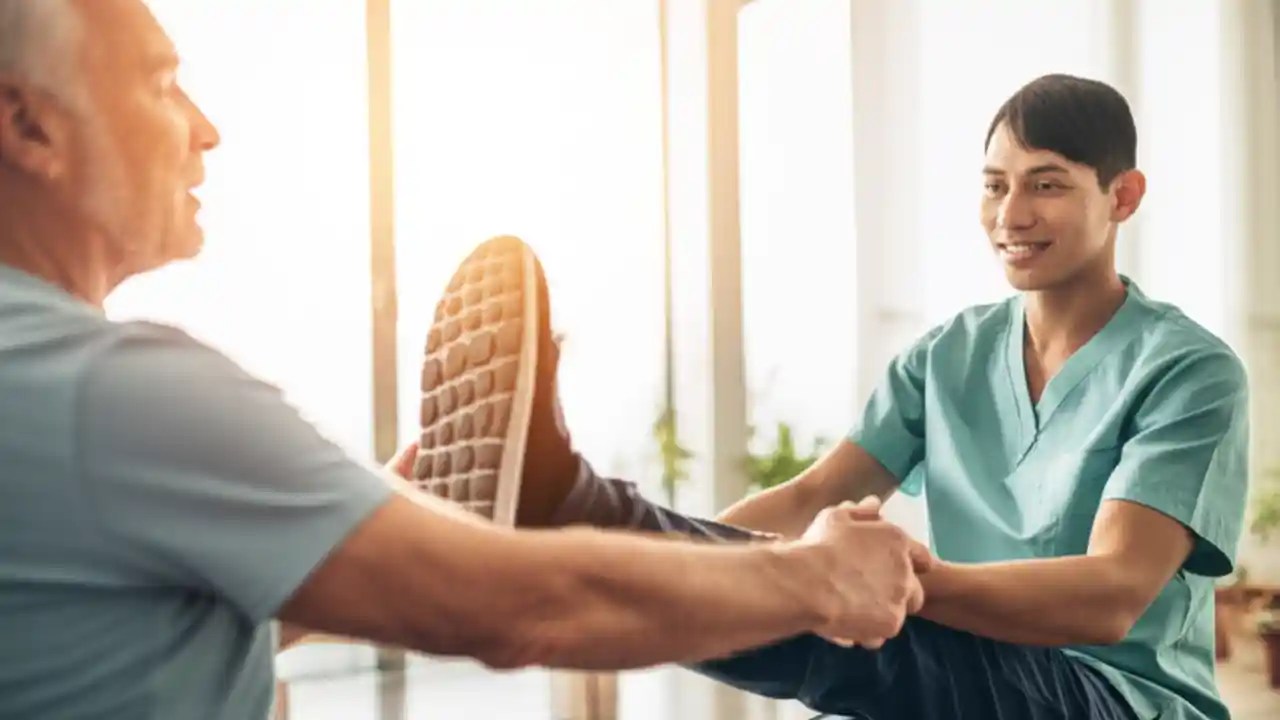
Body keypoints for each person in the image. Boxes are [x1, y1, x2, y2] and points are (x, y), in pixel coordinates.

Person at [0, 1, 934, 718]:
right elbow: (518, 610)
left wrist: (347, 530)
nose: (203, 127)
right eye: (161, 84)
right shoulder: (112, 391)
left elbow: (110, 631)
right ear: (29, 125)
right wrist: (817, 578)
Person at [423, 75, 1250, 720]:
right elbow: (813, 494)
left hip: (1115, 698)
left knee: (853, 625)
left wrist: (898, 580)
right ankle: (575, 526)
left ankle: (569, 504)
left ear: (1124, 197)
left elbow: (1111, 596)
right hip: (964, 663)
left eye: (1047, 184)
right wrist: (673, 574)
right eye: (994, 185)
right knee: (819, 608)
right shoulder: (948, 356)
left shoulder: (1186, 372)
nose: (1011, 213)